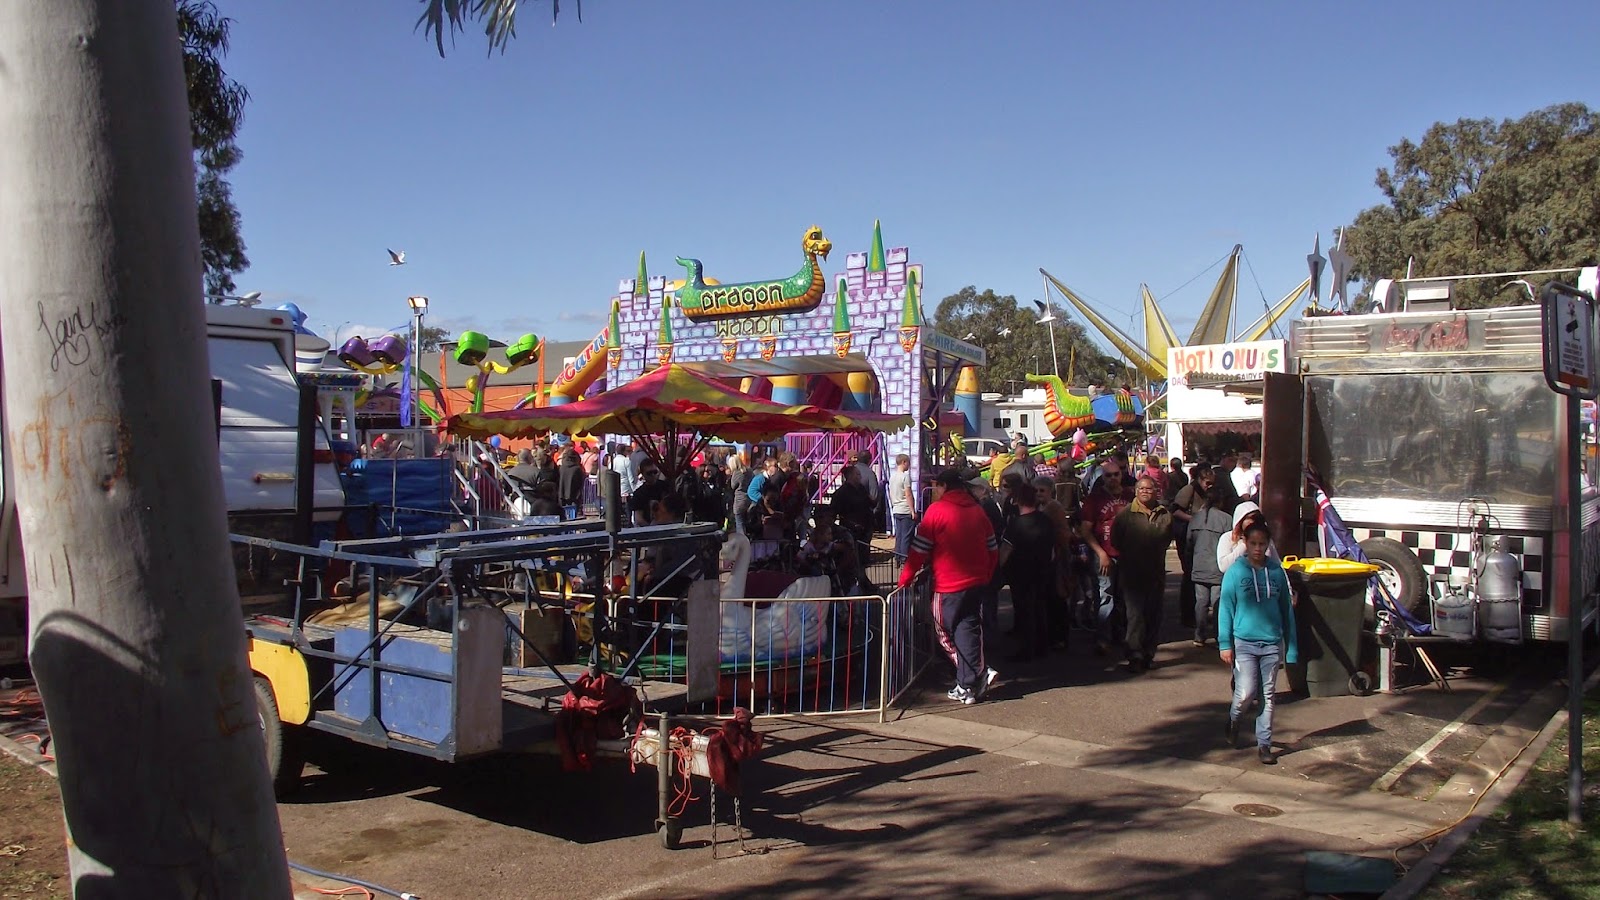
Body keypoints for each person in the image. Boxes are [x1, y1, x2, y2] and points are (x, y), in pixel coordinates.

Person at [898, 468, 999, 705]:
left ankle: (974, 675)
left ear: (943, 486)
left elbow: (919, 550)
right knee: (968, 629)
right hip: (976, 583)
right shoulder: (977, 511)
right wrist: (986, 574)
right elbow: (992, 548)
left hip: (948, 585)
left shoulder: (937, 511)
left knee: (944, 631)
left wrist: (905, 578)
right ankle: (968, 682)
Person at [1219, 521, 1298, 765]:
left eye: (1262, 544)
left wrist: (1291, 648)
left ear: (1268, 545)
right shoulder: (1236, 572)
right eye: (1252, 543)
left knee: (1268, 696)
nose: (1257, 548)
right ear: (1245, 543)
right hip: (1244, 642)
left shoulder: (1275, 572)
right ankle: (1234, 719)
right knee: (1245, 692)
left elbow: (1287, 611)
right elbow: (1226, 607)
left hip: (1272, 643)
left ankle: (1264, 744)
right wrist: (1225, 643)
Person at [1111, 476, 1173, 674]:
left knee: (1154, 615)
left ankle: (1149, 653)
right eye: (1142, 489)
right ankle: (1134, 655)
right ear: (1136, 491)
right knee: (1135, 616)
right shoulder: (1125, 515)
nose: (1146, 492)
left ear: (1156, 491)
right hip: (1132, 574)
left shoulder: (1164, 514)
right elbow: (1115, 540)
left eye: (1150, 489)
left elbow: (1167, 538)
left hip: (1156, 572)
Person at [1079, 458, 1134, 655]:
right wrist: (1101, 553)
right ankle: (1103, 639)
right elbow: (1085, 530)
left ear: (1122, 474)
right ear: (1102, 478)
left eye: (1116, 474)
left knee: (1123, 597)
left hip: (1127, 556)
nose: (1112, 478)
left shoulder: (1130, 496)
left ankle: (1120, 635)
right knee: (1104, 597)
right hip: (1104, 554)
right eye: (1108, 475)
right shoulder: (1094, 499)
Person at [1003, 481, 1058, 660]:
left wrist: (996, 569)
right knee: (1040, 608)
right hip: (1043, 571)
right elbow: (1052, 549)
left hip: (1021, 573)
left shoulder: (1015, 525)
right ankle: (1041, 647)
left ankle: (1027, 650)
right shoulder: (1046, 521)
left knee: (1024, 611)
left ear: (1017, 500)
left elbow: (1004, 552)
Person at [1185, 467, 1233, 646]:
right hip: (1218, 566)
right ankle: (1220, 636)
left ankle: (1199, 634)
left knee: (1201, 602)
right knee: (1218, 601)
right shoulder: (1226, 519)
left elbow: (1189, 542)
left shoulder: (1196, 518)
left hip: (1199, 564)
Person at [1216, 501, 1277, 573]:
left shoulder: (1264, 538)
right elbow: (1224, 567)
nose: (1253, 522)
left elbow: (1276, 563)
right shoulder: (1227, 538)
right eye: (1250, 518)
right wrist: (1245, 544)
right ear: (1240, 520)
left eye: (1256, 518)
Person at [889, 453, 916, 558]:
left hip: (896, 509)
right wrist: (912, 510)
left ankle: (897, 556)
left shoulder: (893, 477)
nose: (909, 466)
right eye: (908, 463)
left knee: (899, 535)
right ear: (904, 462)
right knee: (906, 536)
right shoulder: (905, 476)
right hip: (905, 509)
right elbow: (908, 494)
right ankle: (904, 558)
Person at [628, 463, 671, 527]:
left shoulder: (666, 487)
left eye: (655, 472)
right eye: (649, 473)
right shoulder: (639, 493)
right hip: (649, 529)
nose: (653, 475)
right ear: (643, 474)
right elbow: (639, 519)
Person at [557, 448, 586, 519]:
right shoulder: (577, 469)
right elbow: (580, 482)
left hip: (562, 494)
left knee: (563, 516)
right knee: (573, 516)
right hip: (574, 495)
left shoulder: (561, 468)